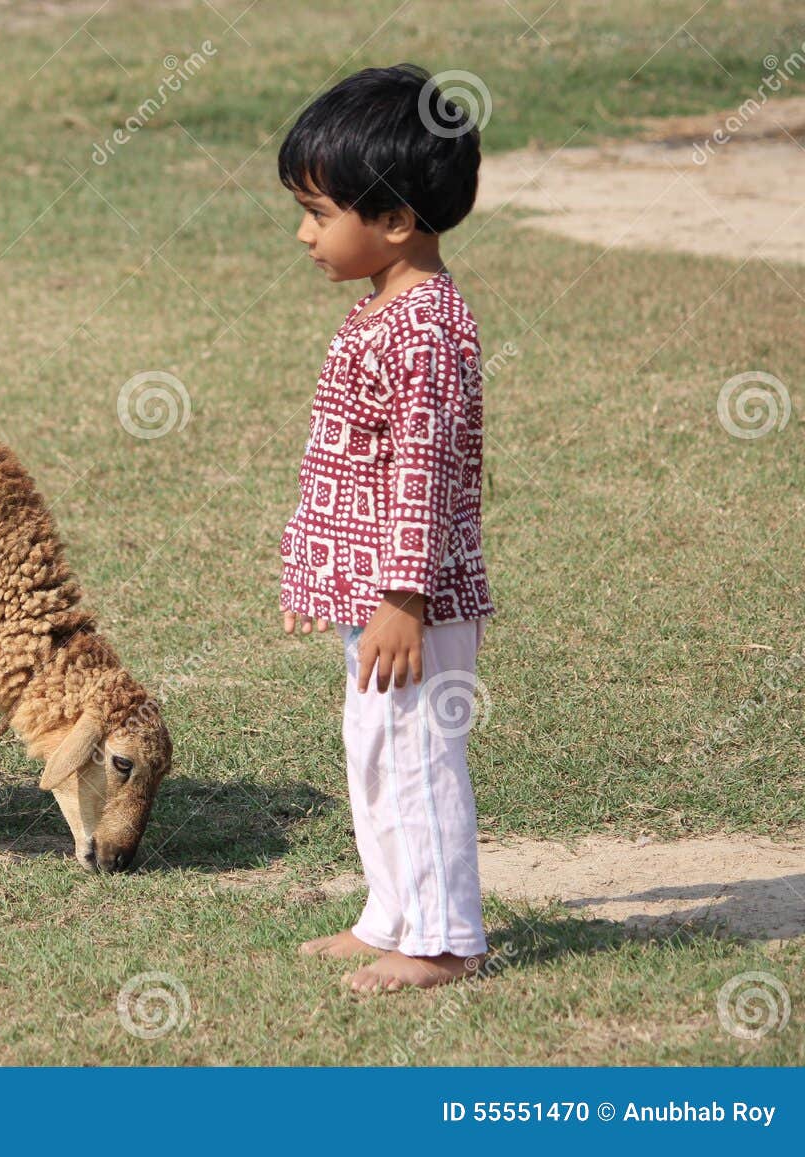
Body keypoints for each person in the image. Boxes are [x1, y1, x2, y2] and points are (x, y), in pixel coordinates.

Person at [276, 64, 496, 992]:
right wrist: (320, 571)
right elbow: (351, 462)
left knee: (416, 758)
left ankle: (445, 940)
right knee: (375, 751)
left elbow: (422, 474)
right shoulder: (385, 311)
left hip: (411, 603)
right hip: (372, 597)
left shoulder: (423, 330)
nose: (304, 234)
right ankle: (393, 916)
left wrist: (404, 599)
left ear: (397, 219)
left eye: (319, 213)